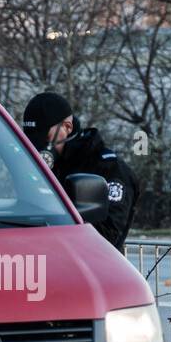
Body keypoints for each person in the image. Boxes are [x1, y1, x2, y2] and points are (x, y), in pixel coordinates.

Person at [22, 92, 140, 251]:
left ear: (67, 127)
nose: (38, 148)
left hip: (93, 269)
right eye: (31, 140)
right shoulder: (50, 165)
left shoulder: (109, 168)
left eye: (45, 138)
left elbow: (108, 236)